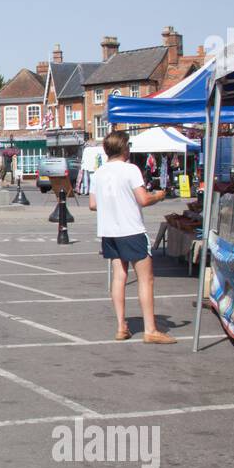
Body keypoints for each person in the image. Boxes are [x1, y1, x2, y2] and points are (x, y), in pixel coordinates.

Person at [89, 130, 176, 344]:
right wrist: (159, 196)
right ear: (124, 148)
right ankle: (150, 329)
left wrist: (113, 203)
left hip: (109, 231)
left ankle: (121, 326)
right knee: (146, 279)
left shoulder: (98, 173)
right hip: (132, 229)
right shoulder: (130, 169)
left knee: (119, 277)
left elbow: (93, 204)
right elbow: (143, 199)